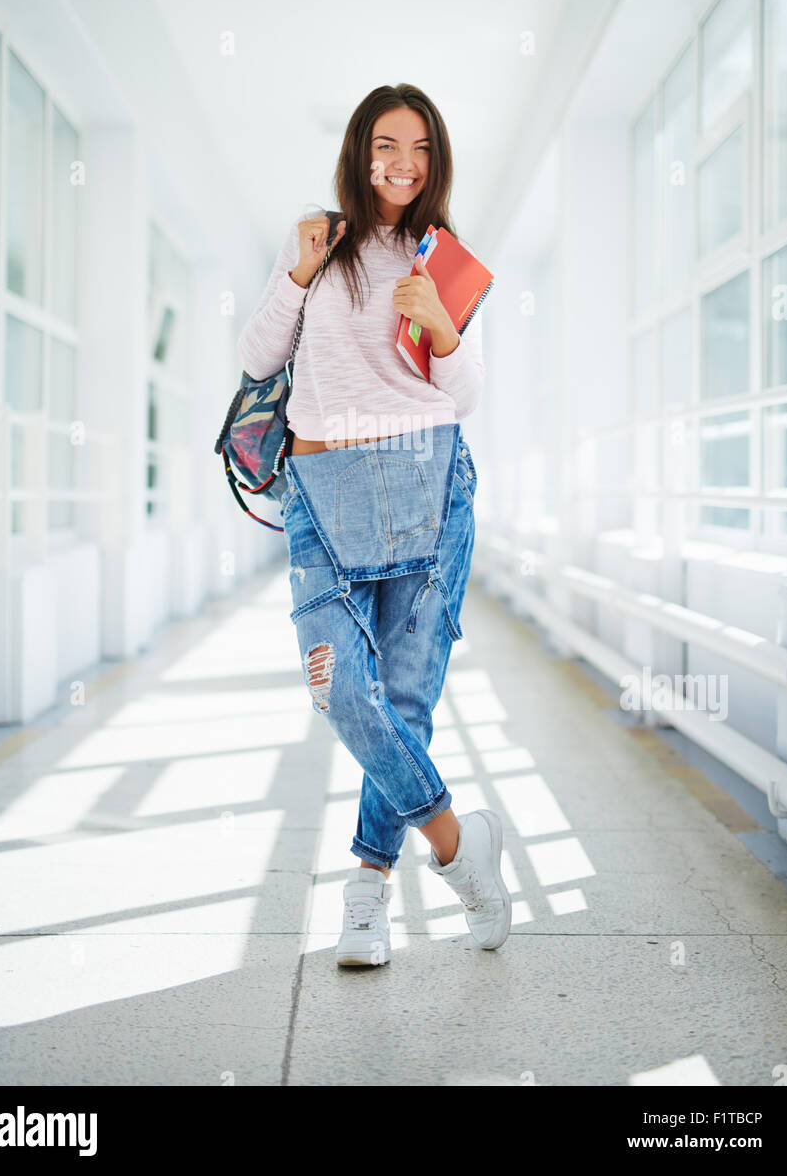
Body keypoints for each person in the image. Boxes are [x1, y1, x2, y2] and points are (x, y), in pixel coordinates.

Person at [237, 82, 511, 966]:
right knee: (338, 690)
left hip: (429, 482)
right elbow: (256, 357)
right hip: (320, 486)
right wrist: (298, 277)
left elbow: (464, 401)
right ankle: (459, 847)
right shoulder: (316, 236)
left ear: (437, 161)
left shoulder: (443, 258)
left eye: (422, 148)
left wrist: (445, 331)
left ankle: (367, 889)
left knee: (403, 699)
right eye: (386, 144)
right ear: (359, 150)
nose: (403, 163)